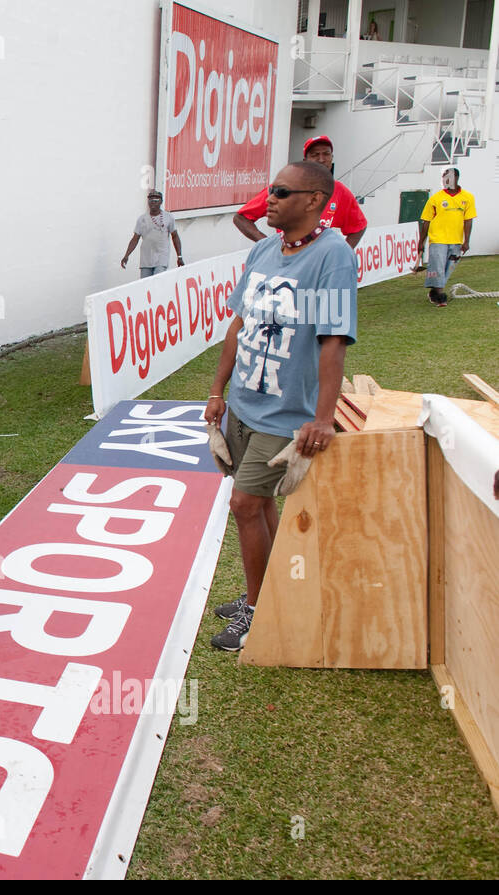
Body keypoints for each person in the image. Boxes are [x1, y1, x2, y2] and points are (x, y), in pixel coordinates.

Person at [204, 161, 358, 651]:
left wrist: (321, 416)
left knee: (245, 505)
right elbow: (239, 326)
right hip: (246, 404)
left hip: (287, 414)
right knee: (259, 503)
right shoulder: (266, 248)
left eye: (281, 192)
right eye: (270, 190)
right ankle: (267, 592)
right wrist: (217, 390)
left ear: (314, 200)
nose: (268, 199)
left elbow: (333, 341)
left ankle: (256, 611)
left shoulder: (332, 256)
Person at [233, 136, 367, 249]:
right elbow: (241, 218)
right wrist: (270, 245)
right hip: (289, 263)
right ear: (305, 161)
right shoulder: (283, 188)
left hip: (320, 267)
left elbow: (359, 226)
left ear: (331, 158)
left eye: (326, 154)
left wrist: (344, 253)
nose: (321, 159)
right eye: (315, 155)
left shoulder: (340, 191)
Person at [415, 168, 475, 307]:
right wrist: (421, 242)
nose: (446, 180)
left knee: (448, 269)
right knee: (438, 266)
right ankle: (441, 296)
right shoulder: (435, 198)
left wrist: (466, 241)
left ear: (456, 178)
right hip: (438, 240)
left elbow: (468, 220)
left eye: (449, 177)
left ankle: (434, 292)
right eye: (444, 177)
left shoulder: (468, 197)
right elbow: (426, 221)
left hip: (456, 241)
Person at [120, 190, 184, 276]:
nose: (153, 203)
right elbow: (135, 239)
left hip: (161, 258)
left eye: (156, 200)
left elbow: (175, 236)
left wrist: (179, 256)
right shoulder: (142, 219)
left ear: (161, 202)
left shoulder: (168, 217)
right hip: (146, 259)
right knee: (146, 284)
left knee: (158, 280)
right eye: (150, 200)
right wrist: (126, 255)